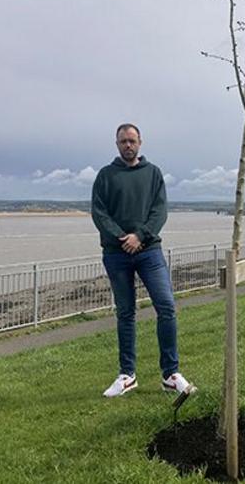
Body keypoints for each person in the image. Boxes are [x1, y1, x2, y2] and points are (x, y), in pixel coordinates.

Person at [91, 123, 193, 398]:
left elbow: (159, 212)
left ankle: (170, 375)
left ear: (140, 142)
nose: (128, 145)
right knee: (125, 314)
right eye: (123, 141)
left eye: (132, 140)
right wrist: (122, 238)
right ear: (116, 143)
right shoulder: (105, 176)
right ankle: (127, 375)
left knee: (167, 307)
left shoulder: (153, 174)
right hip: (116, 253)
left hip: (149, 251)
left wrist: (140, 236)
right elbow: (99, 214)